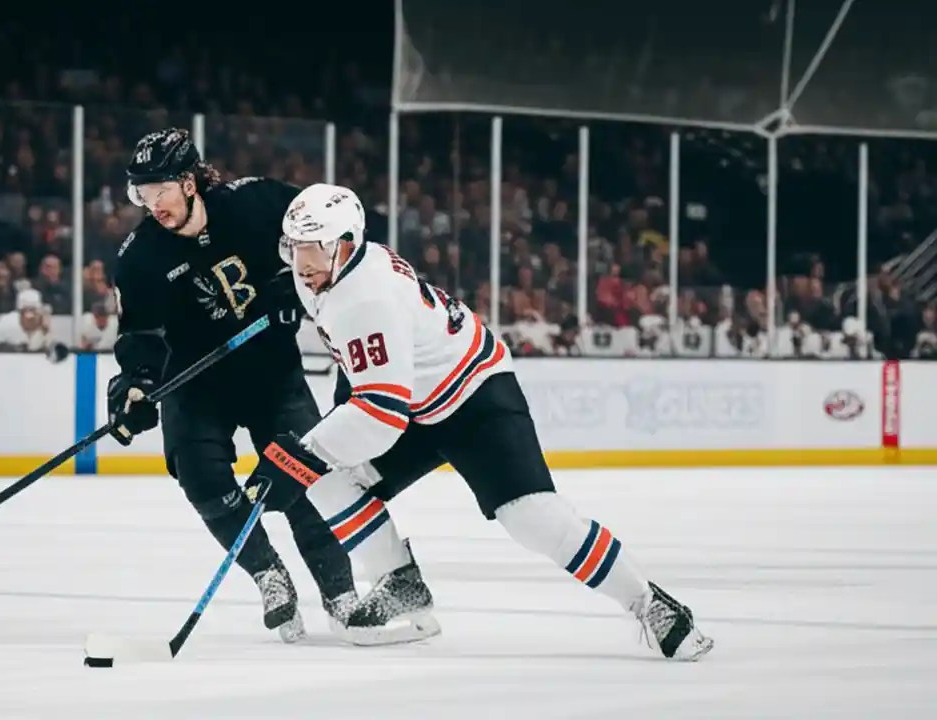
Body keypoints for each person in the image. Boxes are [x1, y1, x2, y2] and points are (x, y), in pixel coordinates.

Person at [243, 183, 715, 661]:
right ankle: (399, 581)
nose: (301, 261)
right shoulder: (328, 270)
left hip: (474, 396)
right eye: (294, 247)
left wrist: (304, 453)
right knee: (324, 479)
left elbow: (381, 418)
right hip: (416, 398)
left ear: (347, 243)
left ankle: (650, 603)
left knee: (532, 518)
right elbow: (378, 395)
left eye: (313, 248)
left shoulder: (367, 301)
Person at [106, 129, 422, 643]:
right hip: (195, 381)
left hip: (270, 370)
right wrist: (135, 386)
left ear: (189, 183)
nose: (152, 203)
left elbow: (331, 245)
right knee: (199, 475)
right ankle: (267, 573)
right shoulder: (140, 256)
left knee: (304, 474)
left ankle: (339, 592)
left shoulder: (258, 204)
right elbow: (139, 336)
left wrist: (290, 288)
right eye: (142, 194)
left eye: (160, 190)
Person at [0, 287, 69, 362]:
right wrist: (16, 349)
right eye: (26, 311)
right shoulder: (7, 321)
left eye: (34, 311)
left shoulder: (47, 323)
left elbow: (57, 354)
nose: (30, 316)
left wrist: (46, 332)